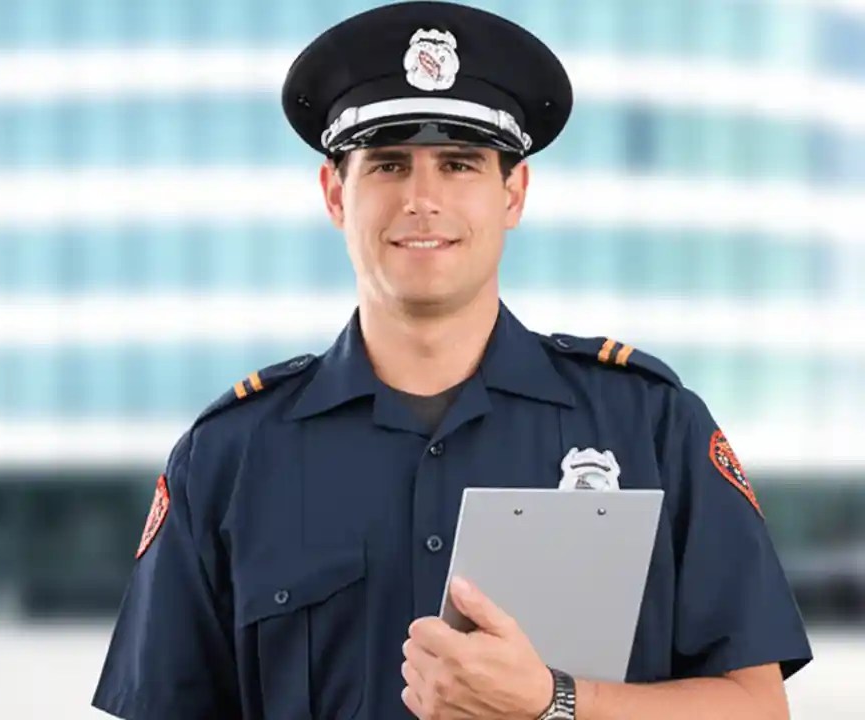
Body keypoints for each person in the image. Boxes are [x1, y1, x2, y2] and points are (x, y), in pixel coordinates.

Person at [92, 2, 813, 718]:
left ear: (513, 193)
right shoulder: (230, 457)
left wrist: (554, 701)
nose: (422, 199)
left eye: (460, 163)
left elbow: (755, 707)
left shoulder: (651, 428)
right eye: (388, 165)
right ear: (335, 194)